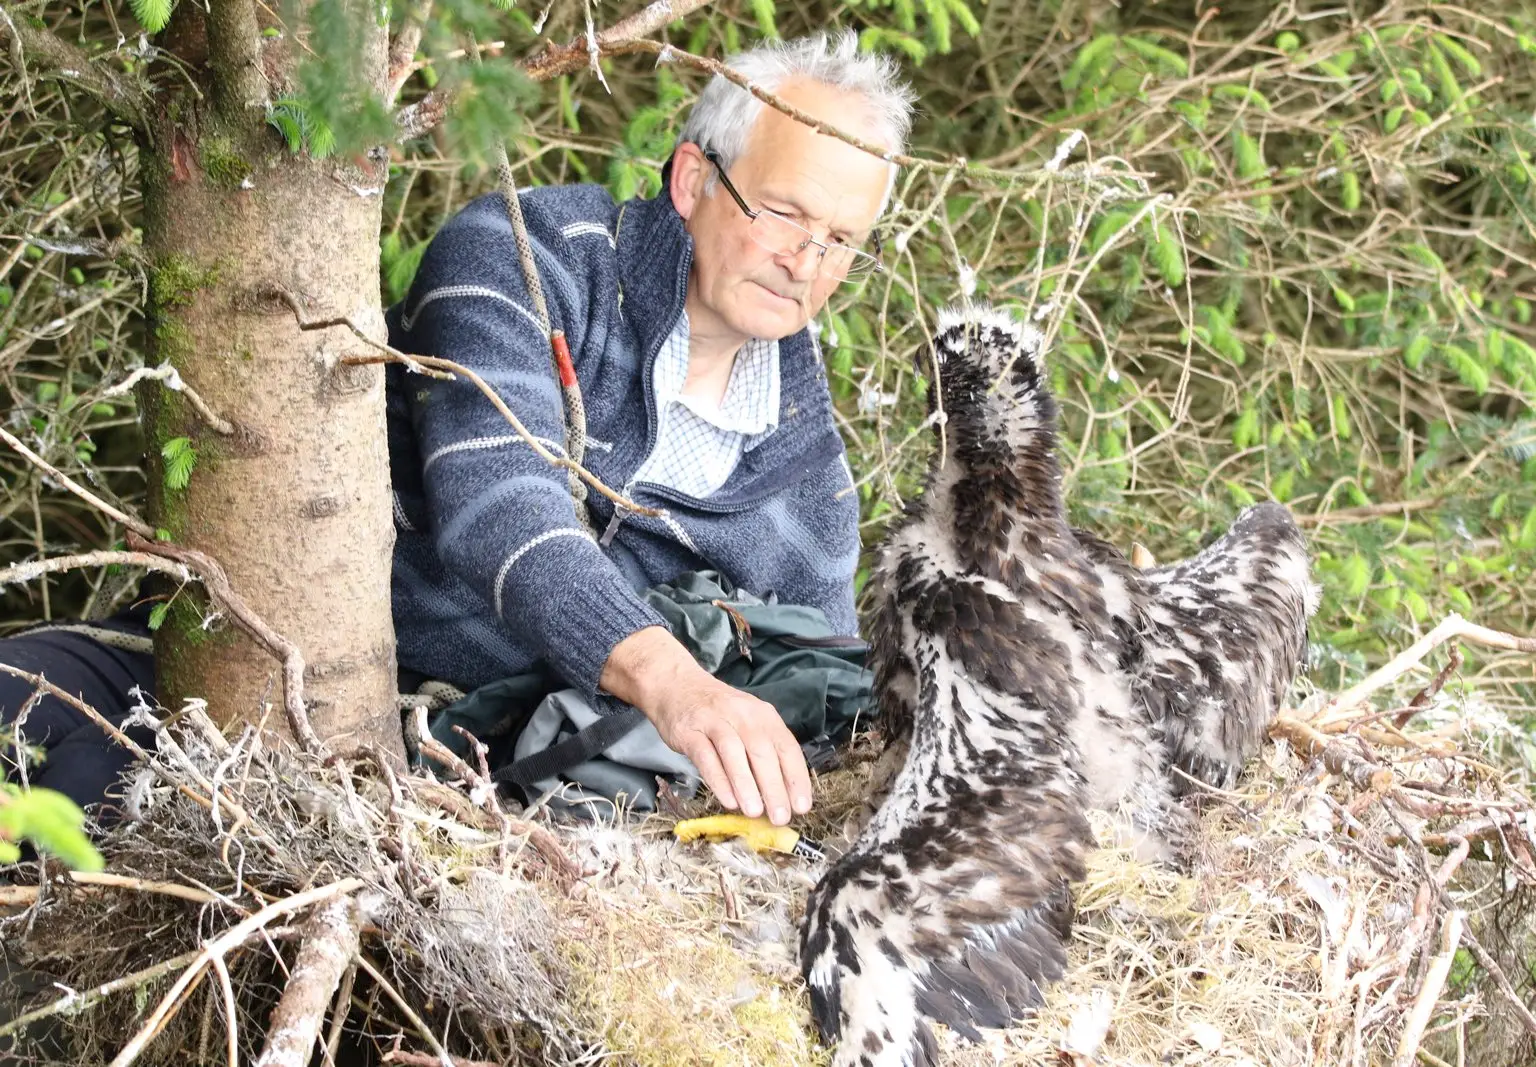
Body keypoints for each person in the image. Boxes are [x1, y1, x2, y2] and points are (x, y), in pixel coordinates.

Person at [0, 32, 915, 829]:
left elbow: (824, 674)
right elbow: (500, 511)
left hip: (477, 787)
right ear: (691, 179)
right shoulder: (529, 254)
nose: (806, 262)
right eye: (785, 212)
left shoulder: (803, 458)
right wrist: (674, 681)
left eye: (841, 239)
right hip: (252, 673)